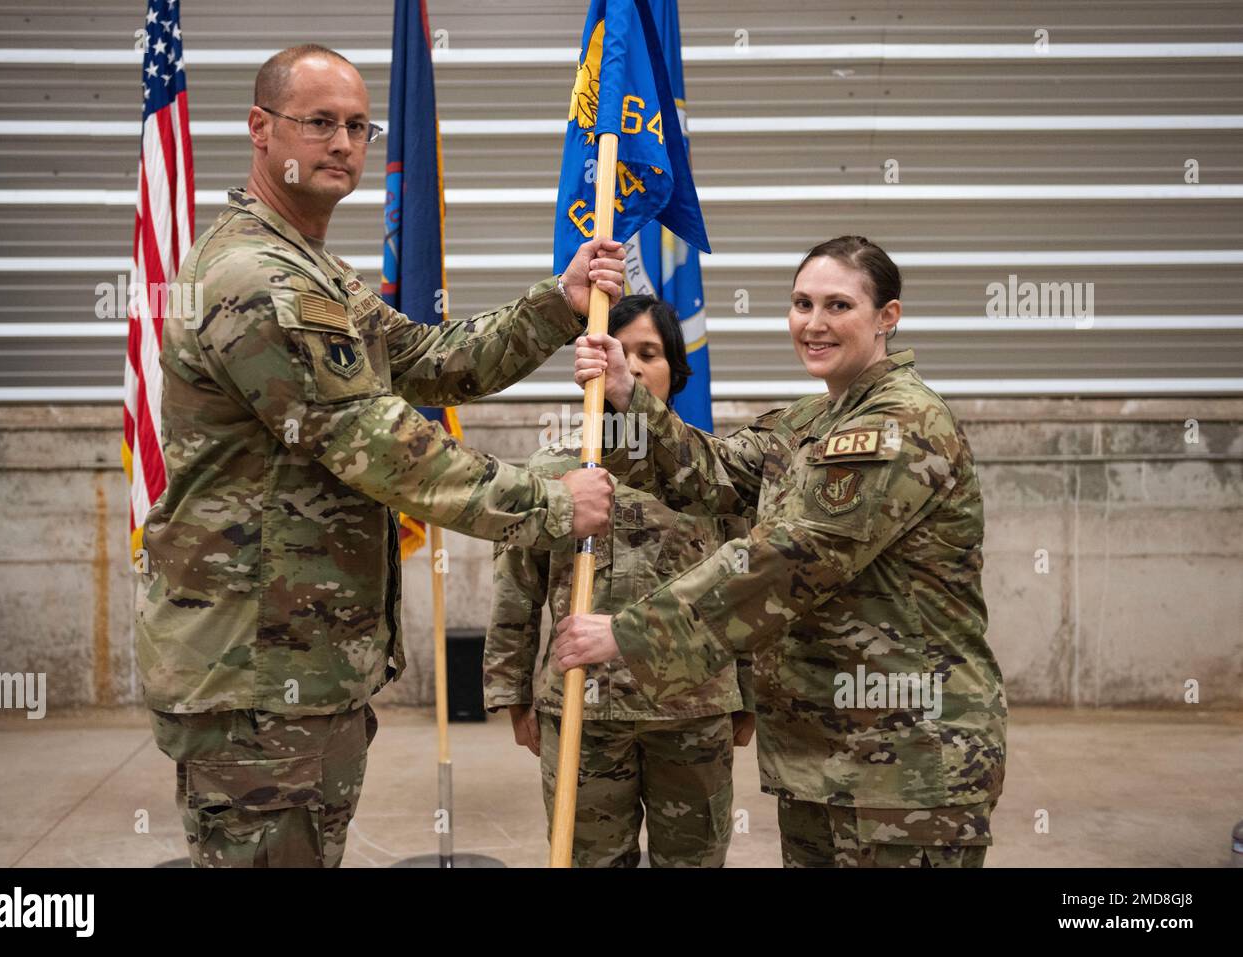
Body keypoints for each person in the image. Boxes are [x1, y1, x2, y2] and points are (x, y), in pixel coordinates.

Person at [137, 44, 622, 868]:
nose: (343, 143)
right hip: (255, 669)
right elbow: (377, 446)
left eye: (358, 126)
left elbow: (434, 361)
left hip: (301, 662)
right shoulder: (258, 276)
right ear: (261, 129)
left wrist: (558, 304)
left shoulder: (313, 269)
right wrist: (547, 505)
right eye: (319, 122)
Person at [554, 236, 1007, 868]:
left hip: (904, 766)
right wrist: (629, 394)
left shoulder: (900, 424)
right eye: (802, 303)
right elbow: (707, 474)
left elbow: (793, 557)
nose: (814, 324)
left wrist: (630, 633)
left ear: (887, 318)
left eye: (838, 306)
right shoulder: (806, 424)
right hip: (823, 757)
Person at [485, 295, 756, 868]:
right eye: (618, 350)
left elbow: (747, 590)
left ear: (675, 371)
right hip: (584, 709)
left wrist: (749, 696)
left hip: (692, 710)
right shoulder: (549, 472)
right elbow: (517, 590)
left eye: (648, 353)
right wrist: (512, 696)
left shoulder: (719, 476)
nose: (628, 367)